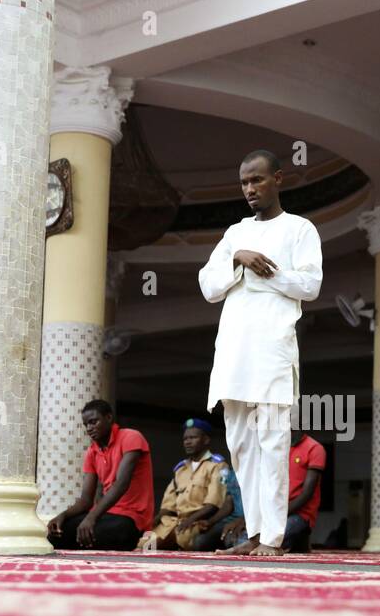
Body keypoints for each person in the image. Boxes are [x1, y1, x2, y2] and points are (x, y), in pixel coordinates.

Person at [198, 149, 323, 556]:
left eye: (257, 180)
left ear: (278, 179)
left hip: (272, 348)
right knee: (241, 445)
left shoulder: (300, 229)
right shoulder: (235, 234)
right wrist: (239, 258)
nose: (250, 189)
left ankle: (273, 538)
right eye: (244, 183)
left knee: (272, 440)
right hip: (234, 350)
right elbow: (209, 287)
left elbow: (310, 286)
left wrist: (264, 273)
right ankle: (253, 534)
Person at [47, 399, 153, 551]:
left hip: (131, 518)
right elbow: (85, 500)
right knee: (56, 535)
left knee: (118, 531)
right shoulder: (92, 451)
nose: (89, 428)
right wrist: (62, 516)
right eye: (86, 425)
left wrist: (91, 518)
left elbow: (121, 484)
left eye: (93, 422)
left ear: (109, 418)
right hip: (104, 515)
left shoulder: (131, 437)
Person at [140, 418, 229, 551]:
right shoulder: (180, 469)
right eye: (185, 439)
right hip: (172, 523)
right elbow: (168, 505)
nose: (187, 442)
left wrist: (189, 520)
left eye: (193, 437)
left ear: (206, 440)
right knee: (142, 544)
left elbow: (213, 504)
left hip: (197, 523)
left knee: (156, 546)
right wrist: (155, 520)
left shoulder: (218, 465)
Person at [283, 427, 326, 553]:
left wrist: (279, 514)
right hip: (278, 511)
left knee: (273, 539)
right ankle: (298, 544)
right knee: (242, 539)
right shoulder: (280, 447)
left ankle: (299, 540)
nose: (289, 431)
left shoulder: (314, 448)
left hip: (300, 514)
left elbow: (307, 494)